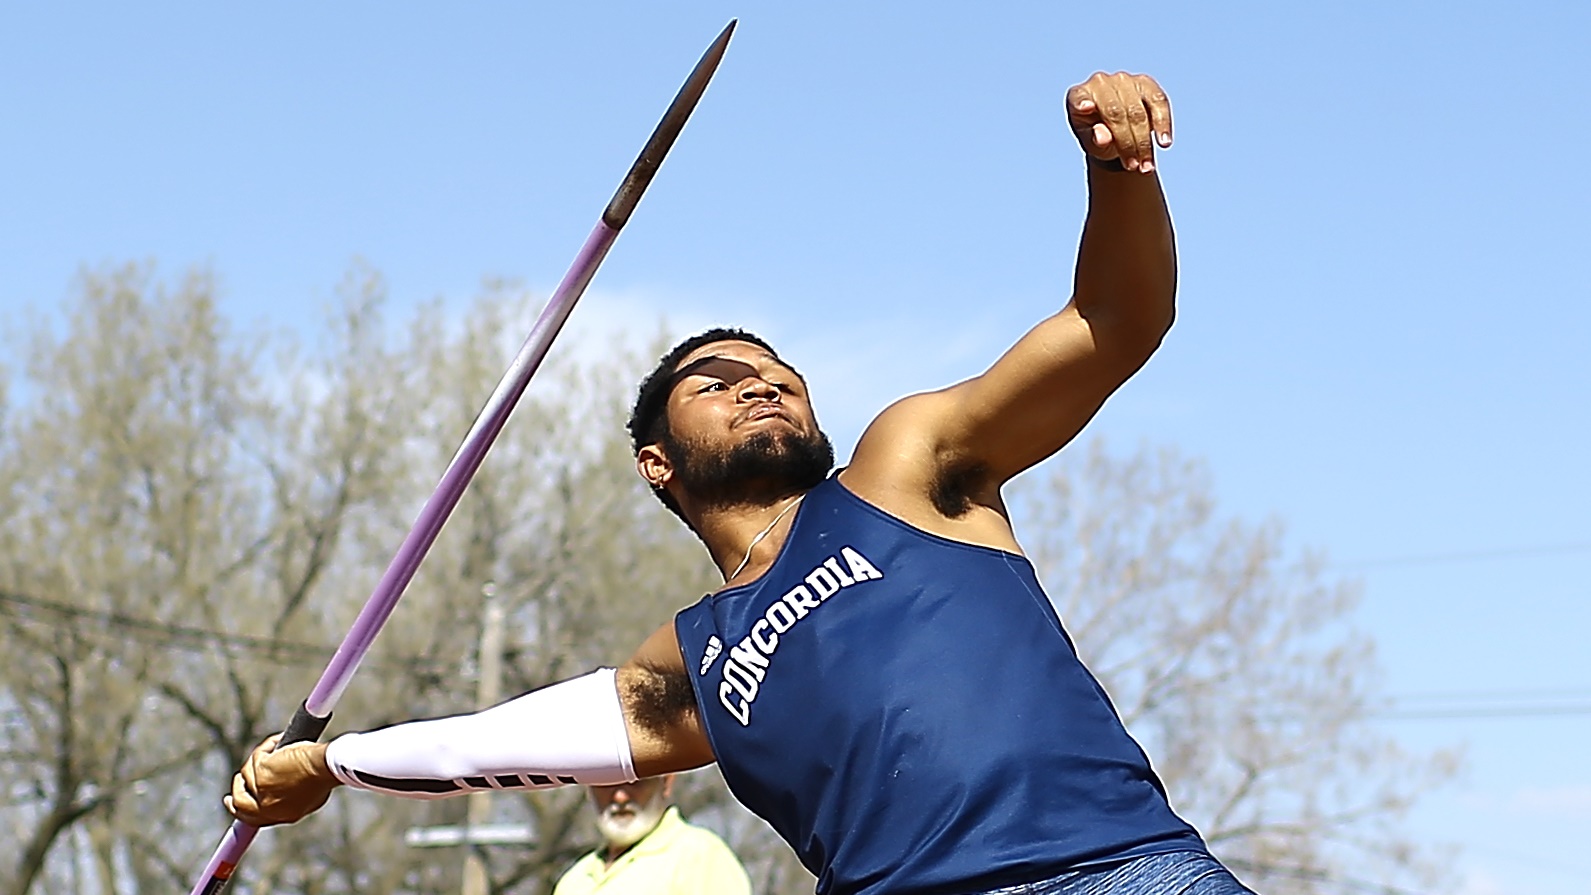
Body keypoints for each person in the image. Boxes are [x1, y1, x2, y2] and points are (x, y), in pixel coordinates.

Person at [228, 72, 1260, 895]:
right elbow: (504, 739)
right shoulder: (696, 656)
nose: (758, 380)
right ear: (657, 462)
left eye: (778, 374)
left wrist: (1119, 168)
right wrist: (329, 764)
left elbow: (1114, 324)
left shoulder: (903, 469)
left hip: (1115, 871)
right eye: (715, 379)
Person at [552, 775, 752, 895]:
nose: (620, 796)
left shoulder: (699, 855)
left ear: (666, 782)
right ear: (588, 787)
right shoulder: (574, 879)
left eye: (634, 781)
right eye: (607, 781)